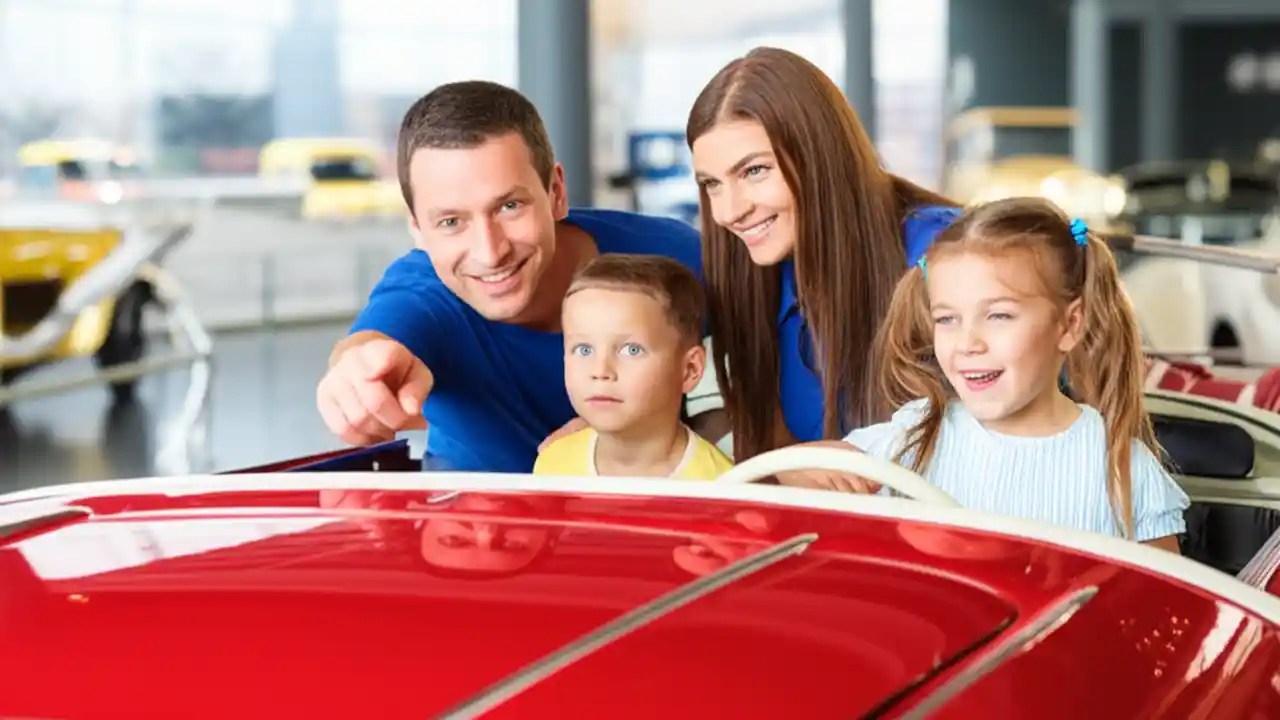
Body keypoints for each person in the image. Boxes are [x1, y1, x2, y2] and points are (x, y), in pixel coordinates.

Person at [315, 80, 704, 473]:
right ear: (417, 228)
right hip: (471, 524)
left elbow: (757, 388)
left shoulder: (676, 257)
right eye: (451, 221)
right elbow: (367, 347)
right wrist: (355, 378)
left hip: (651, 521)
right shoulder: (425, 292)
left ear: (556, 192)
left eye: (509, 206)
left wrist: (639, 429)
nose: (490, 252)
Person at [781, 198, 1190, 551]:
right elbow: (798, 471)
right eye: (947, 319)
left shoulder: (1121, 468)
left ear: (1068, 326)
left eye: (998, 315)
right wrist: (792, 470)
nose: (968, 343)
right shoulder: (917, 434)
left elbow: (1165, 617)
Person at [684, 46, 961, 462]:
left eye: (754, 171)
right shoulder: (754, 273)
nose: (728, 212)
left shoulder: (946, 257)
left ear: (819, 155)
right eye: (712, 184)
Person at [534, 254, 734, 479]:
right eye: (584, 350)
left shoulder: (722, 486)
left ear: (690, 369)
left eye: (631, 350)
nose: (600, 372)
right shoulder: (553, 466)